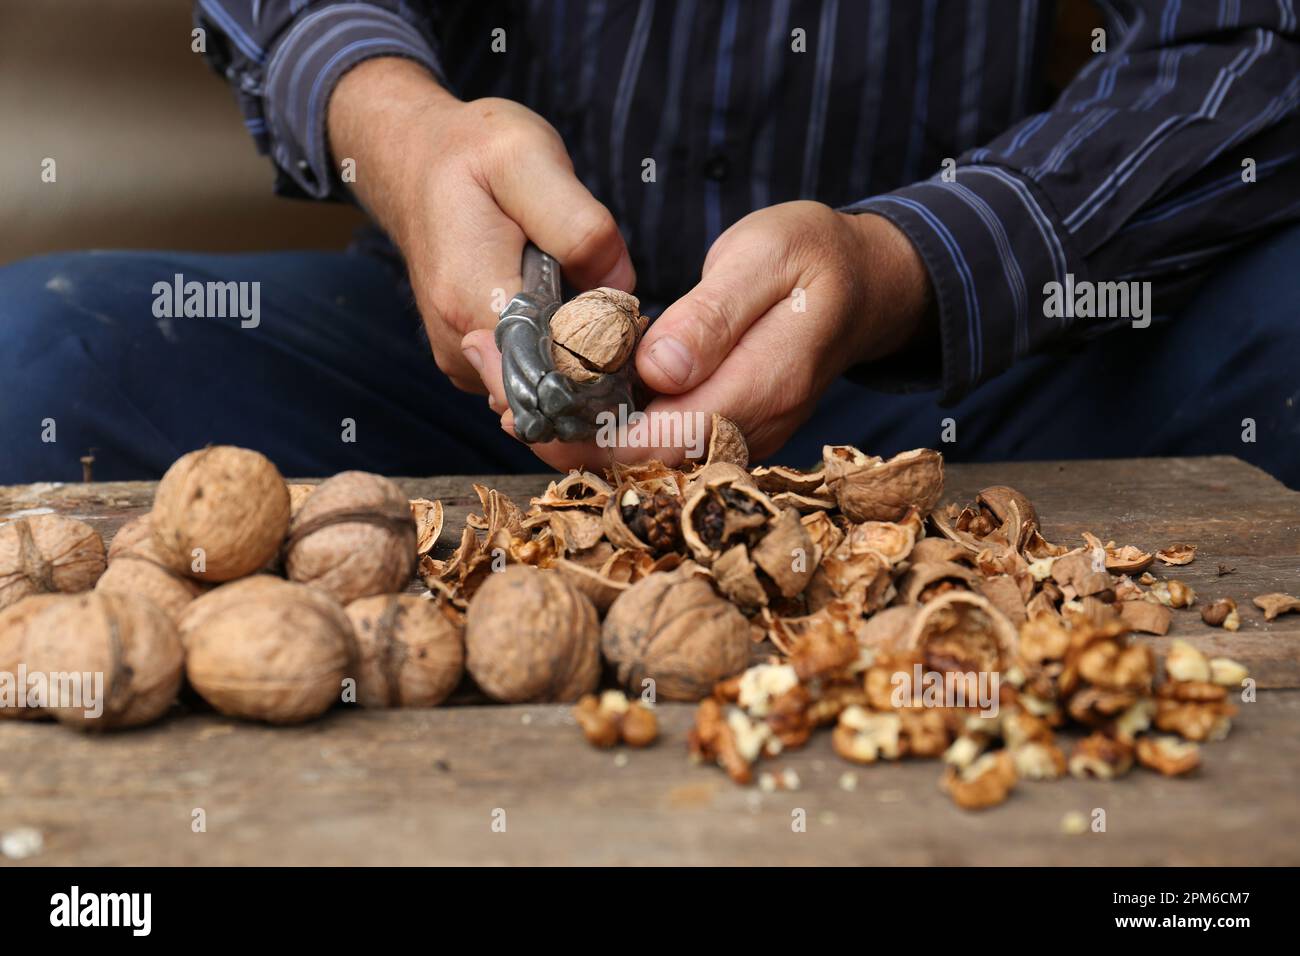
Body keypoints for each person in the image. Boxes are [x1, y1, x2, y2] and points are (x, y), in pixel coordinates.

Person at [2, 0, 1297, 486]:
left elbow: (1248, 37)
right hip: (473, 374)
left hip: (945, 391)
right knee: (43, 358)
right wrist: (398, 131)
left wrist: (910, 259)